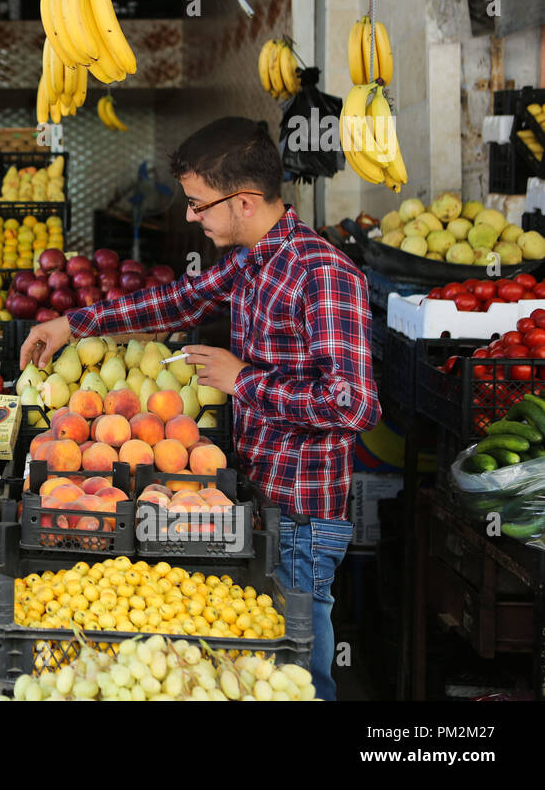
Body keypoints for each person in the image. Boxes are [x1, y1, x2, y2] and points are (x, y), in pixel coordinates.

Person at [19, 117, 380, 700]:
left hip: (303, 516)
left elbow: (354, 403)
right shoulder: (253, 261)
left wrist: (244, 381)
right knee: (260, 669)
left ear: (242, 201)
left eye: (197, 204)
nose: (189, 217)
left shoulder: (323, 274)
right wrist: (71, 322)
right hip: (257, 502)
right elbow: (175, 300)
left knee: (300, 671)